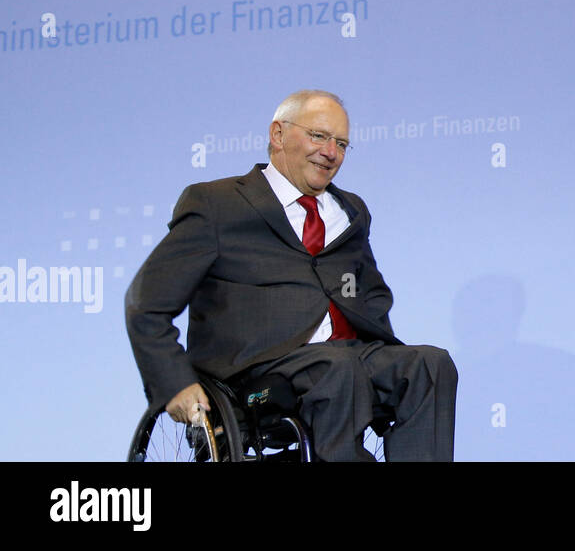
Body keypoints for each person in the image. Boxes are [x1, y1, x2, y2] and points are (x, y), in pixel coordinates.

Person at [124, 89, 457, 461]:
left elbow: (372, 293)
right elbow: (146, 303)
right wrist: (175, 384)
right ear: (278, 134)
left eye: (342, 143)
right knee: (336, 369)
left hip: (344, 357)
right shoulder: (216, 204)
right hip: (256, 370)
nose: (331, 152)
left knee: (430, 364)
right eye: (318, 136)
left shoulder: (352, 211)